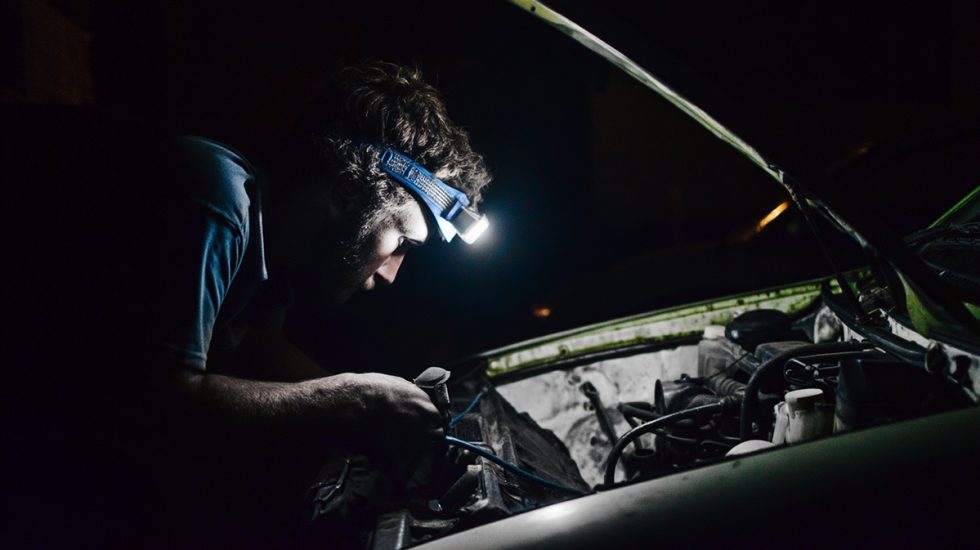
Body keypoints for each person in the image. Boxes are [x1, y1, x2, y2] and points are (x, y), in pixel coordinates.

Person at [4, 61, 491, 544]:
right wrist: (354, 399)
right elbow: (157, 402)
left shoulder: (276, 247)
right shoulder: (210, 191)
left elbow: (258, 349)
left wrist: (389, 403)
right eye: (402, 244)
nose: (390, 274)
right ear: (349, 189)